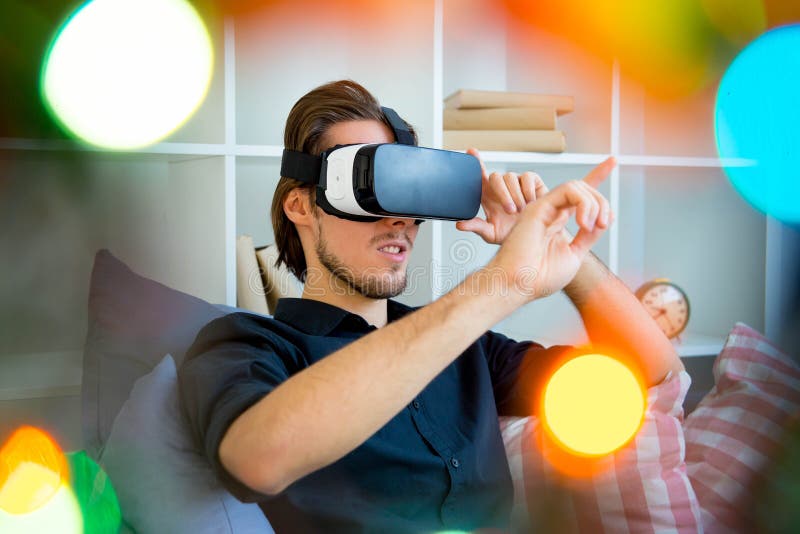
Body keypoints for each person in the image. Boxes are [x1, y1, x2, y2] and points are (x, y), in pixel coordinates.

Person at [178, 79, 684, 533]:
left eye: (410, 190)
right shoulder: (247, 343)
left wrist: (562, 254)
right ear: (300, 206)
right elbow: (256, 460)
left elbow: (651, 376)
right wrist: (499, 285)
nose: (400, 218)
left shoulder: (469, 350)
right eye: (370, 186)